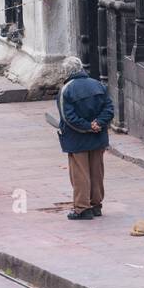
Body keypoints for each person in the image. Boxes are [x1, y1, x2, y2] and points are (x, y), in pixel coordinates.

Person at [56, 56, 114, 221]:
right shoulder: (97, 84)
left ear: (66, 72)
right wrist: (98, 124)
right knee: (97, 172)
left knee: (80, 174)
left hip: (77, 138)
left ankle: (82, 208)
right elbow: (109, 108)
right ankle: (96, 205)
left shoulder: (66, 90)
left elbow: (68, 118)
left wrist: (88, 126)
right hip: (98, 137)